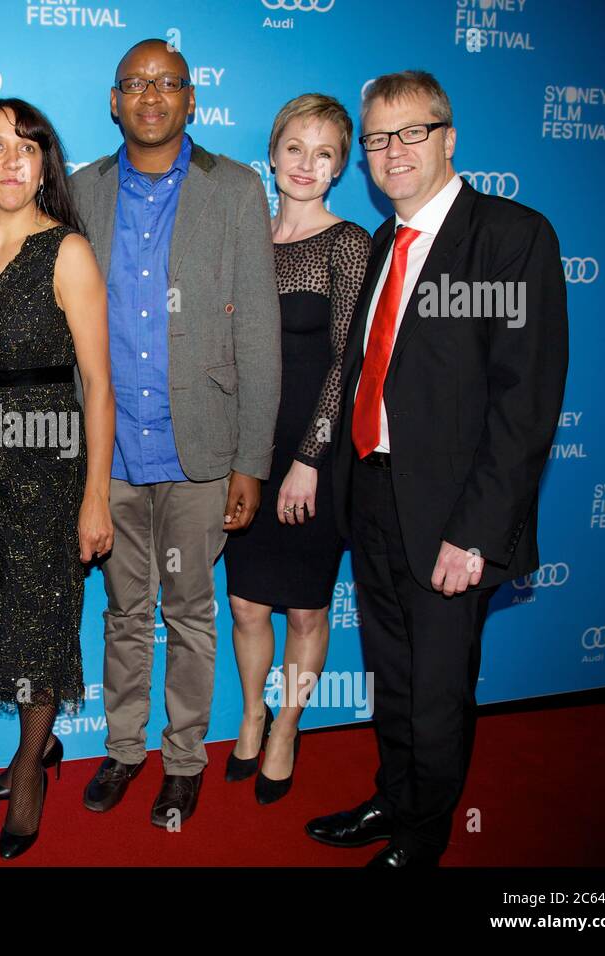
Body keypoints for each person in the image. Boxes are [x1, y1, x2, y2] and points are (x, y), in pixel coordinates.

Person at [306, 70, 568, 866]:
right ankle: (396, 796)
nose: (393, 152)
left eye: (412, 132)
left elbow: (523, 407)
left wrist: (477, 534)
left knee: (438, 688)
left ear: (448, 138)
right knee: (391, 674)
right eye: (379, 139)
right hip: (376, 496)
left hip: (455, 517)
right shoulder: (385, 241)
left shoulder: (510, 238)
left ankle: (426, 835)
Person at [68, 38, 282, 828]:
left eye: (167, 83)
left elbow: (258, 333)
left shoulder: (233, 190)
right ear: (115, 101)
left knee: (190, 612)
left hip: (202, 449)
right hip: (111, 453)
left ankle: (184, 761)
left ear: (192, 100)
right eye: (135, 84)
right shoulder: (81, 191)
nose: (151, 96)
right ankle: (125, 750)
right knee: (125, 611)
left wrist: (252, 459)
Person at [0, 98, 114, 860]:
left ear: (46, 165)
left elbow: (100, 387)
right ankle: (27, 753)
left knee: (41, 621)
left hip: (48, 466)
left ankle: (34, 773)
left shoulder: (65, 250)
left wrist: (96, 496)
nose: (12, 160)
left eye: (28, 146)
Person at [221, 94, 370, 804]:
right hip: (247, 449)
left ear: (341, 166)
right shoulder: (247, 234)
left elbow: (349, 361)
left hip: (315, 452)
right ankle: (251, 713)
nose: (307, 165)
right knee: (247, 603)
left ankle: (288, 724)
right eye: (295, 149)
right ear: (273, 153)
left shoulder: (348, 243)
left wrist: (311, 458)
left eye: (325, 153)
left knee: (308, 609)